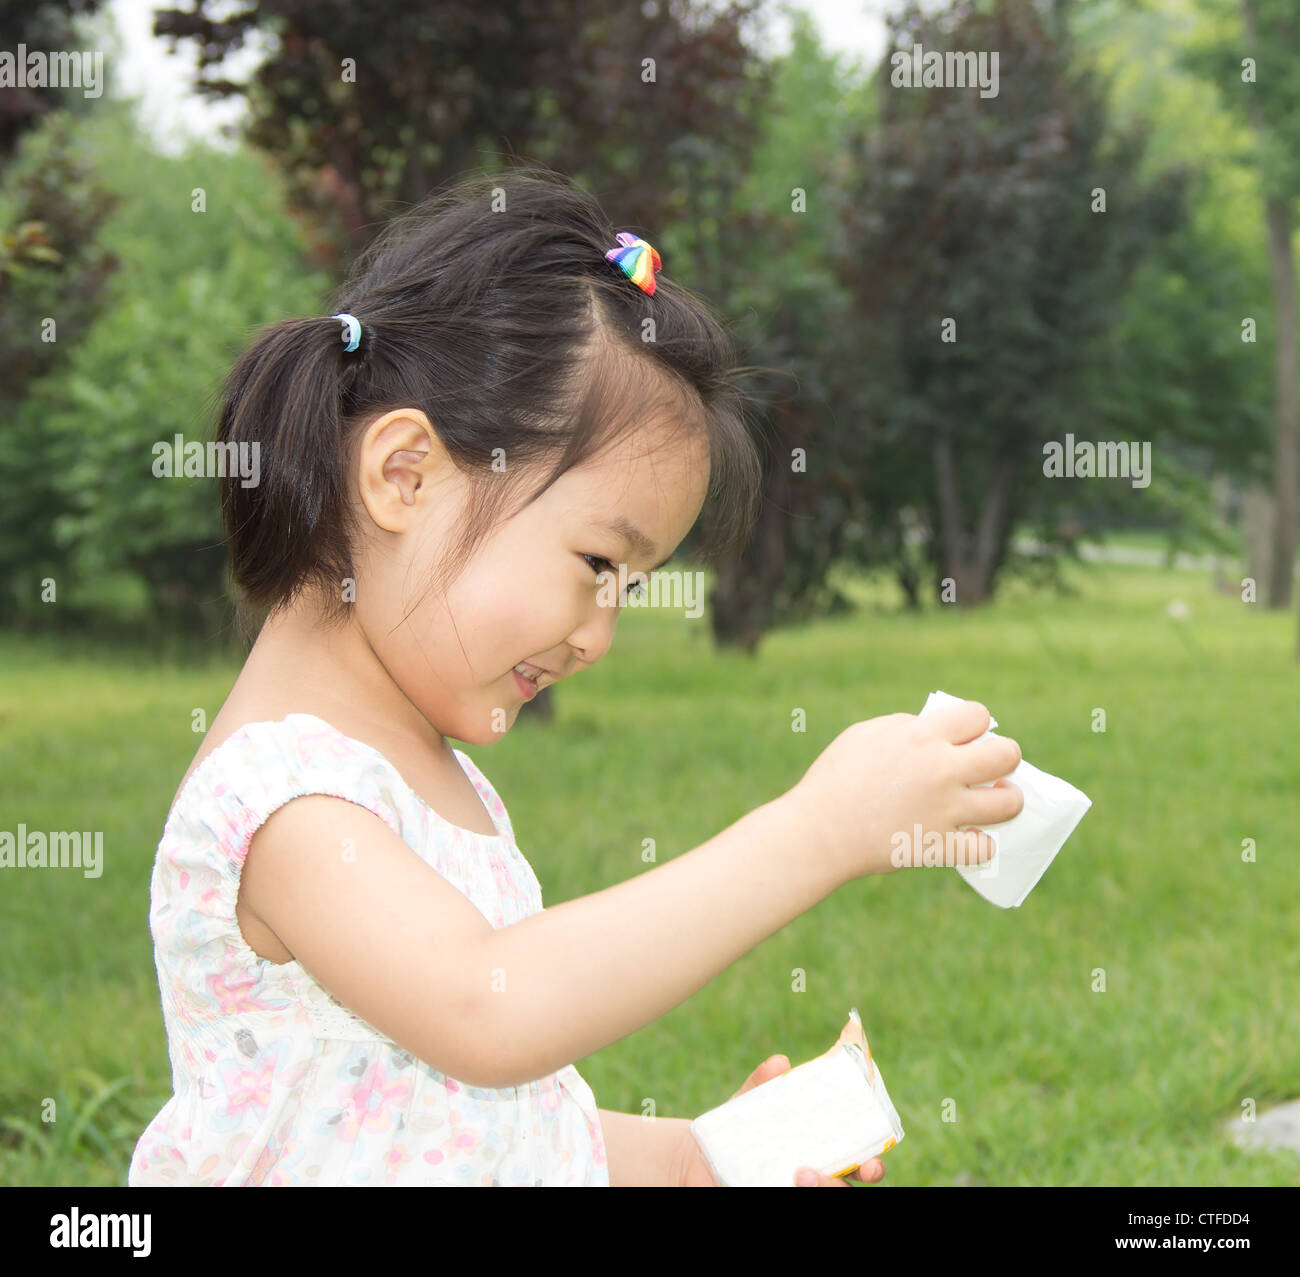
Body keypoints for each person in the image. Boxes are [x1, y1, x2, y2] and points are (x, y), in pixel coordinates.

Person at [128, 166, 1023, 1187]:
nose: (599, 633)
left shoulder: (432, 782)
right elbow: (488, 1009)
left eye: (631, 588)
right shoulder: (286, 799)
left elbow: (472, 1117)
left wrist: (696, 1159)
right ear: (403, 475)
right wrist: (816, 830)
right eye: (599, 564)